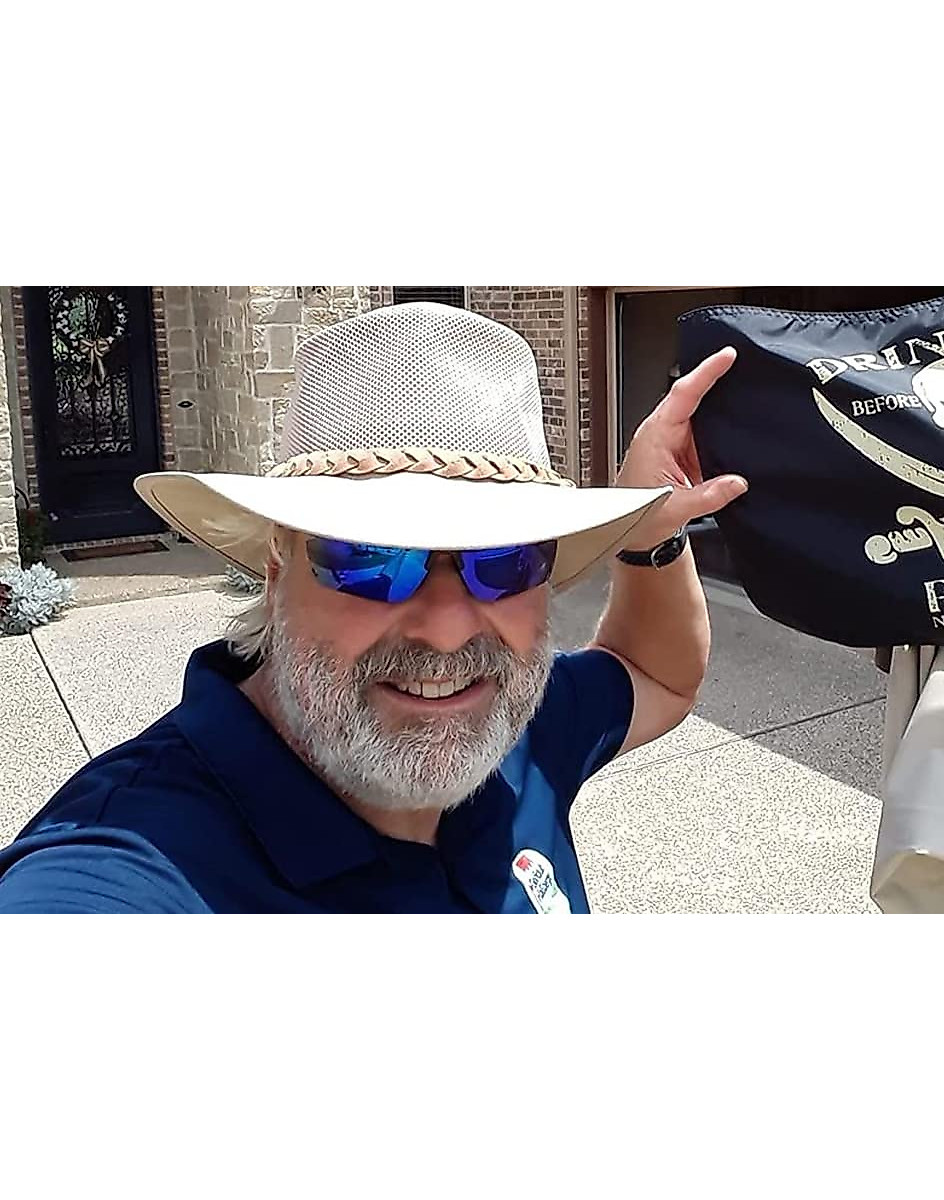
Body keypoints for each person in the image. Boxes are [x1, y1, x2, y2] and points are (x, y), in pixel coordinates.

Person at [0, 302, 747, 913]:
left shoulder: (507, 724)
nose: (447, 630)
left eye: (506, 559)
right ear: (276, 567)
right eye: (371, 558)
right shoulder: (134, 863)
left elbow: (657, 675)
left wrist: (650, 536)